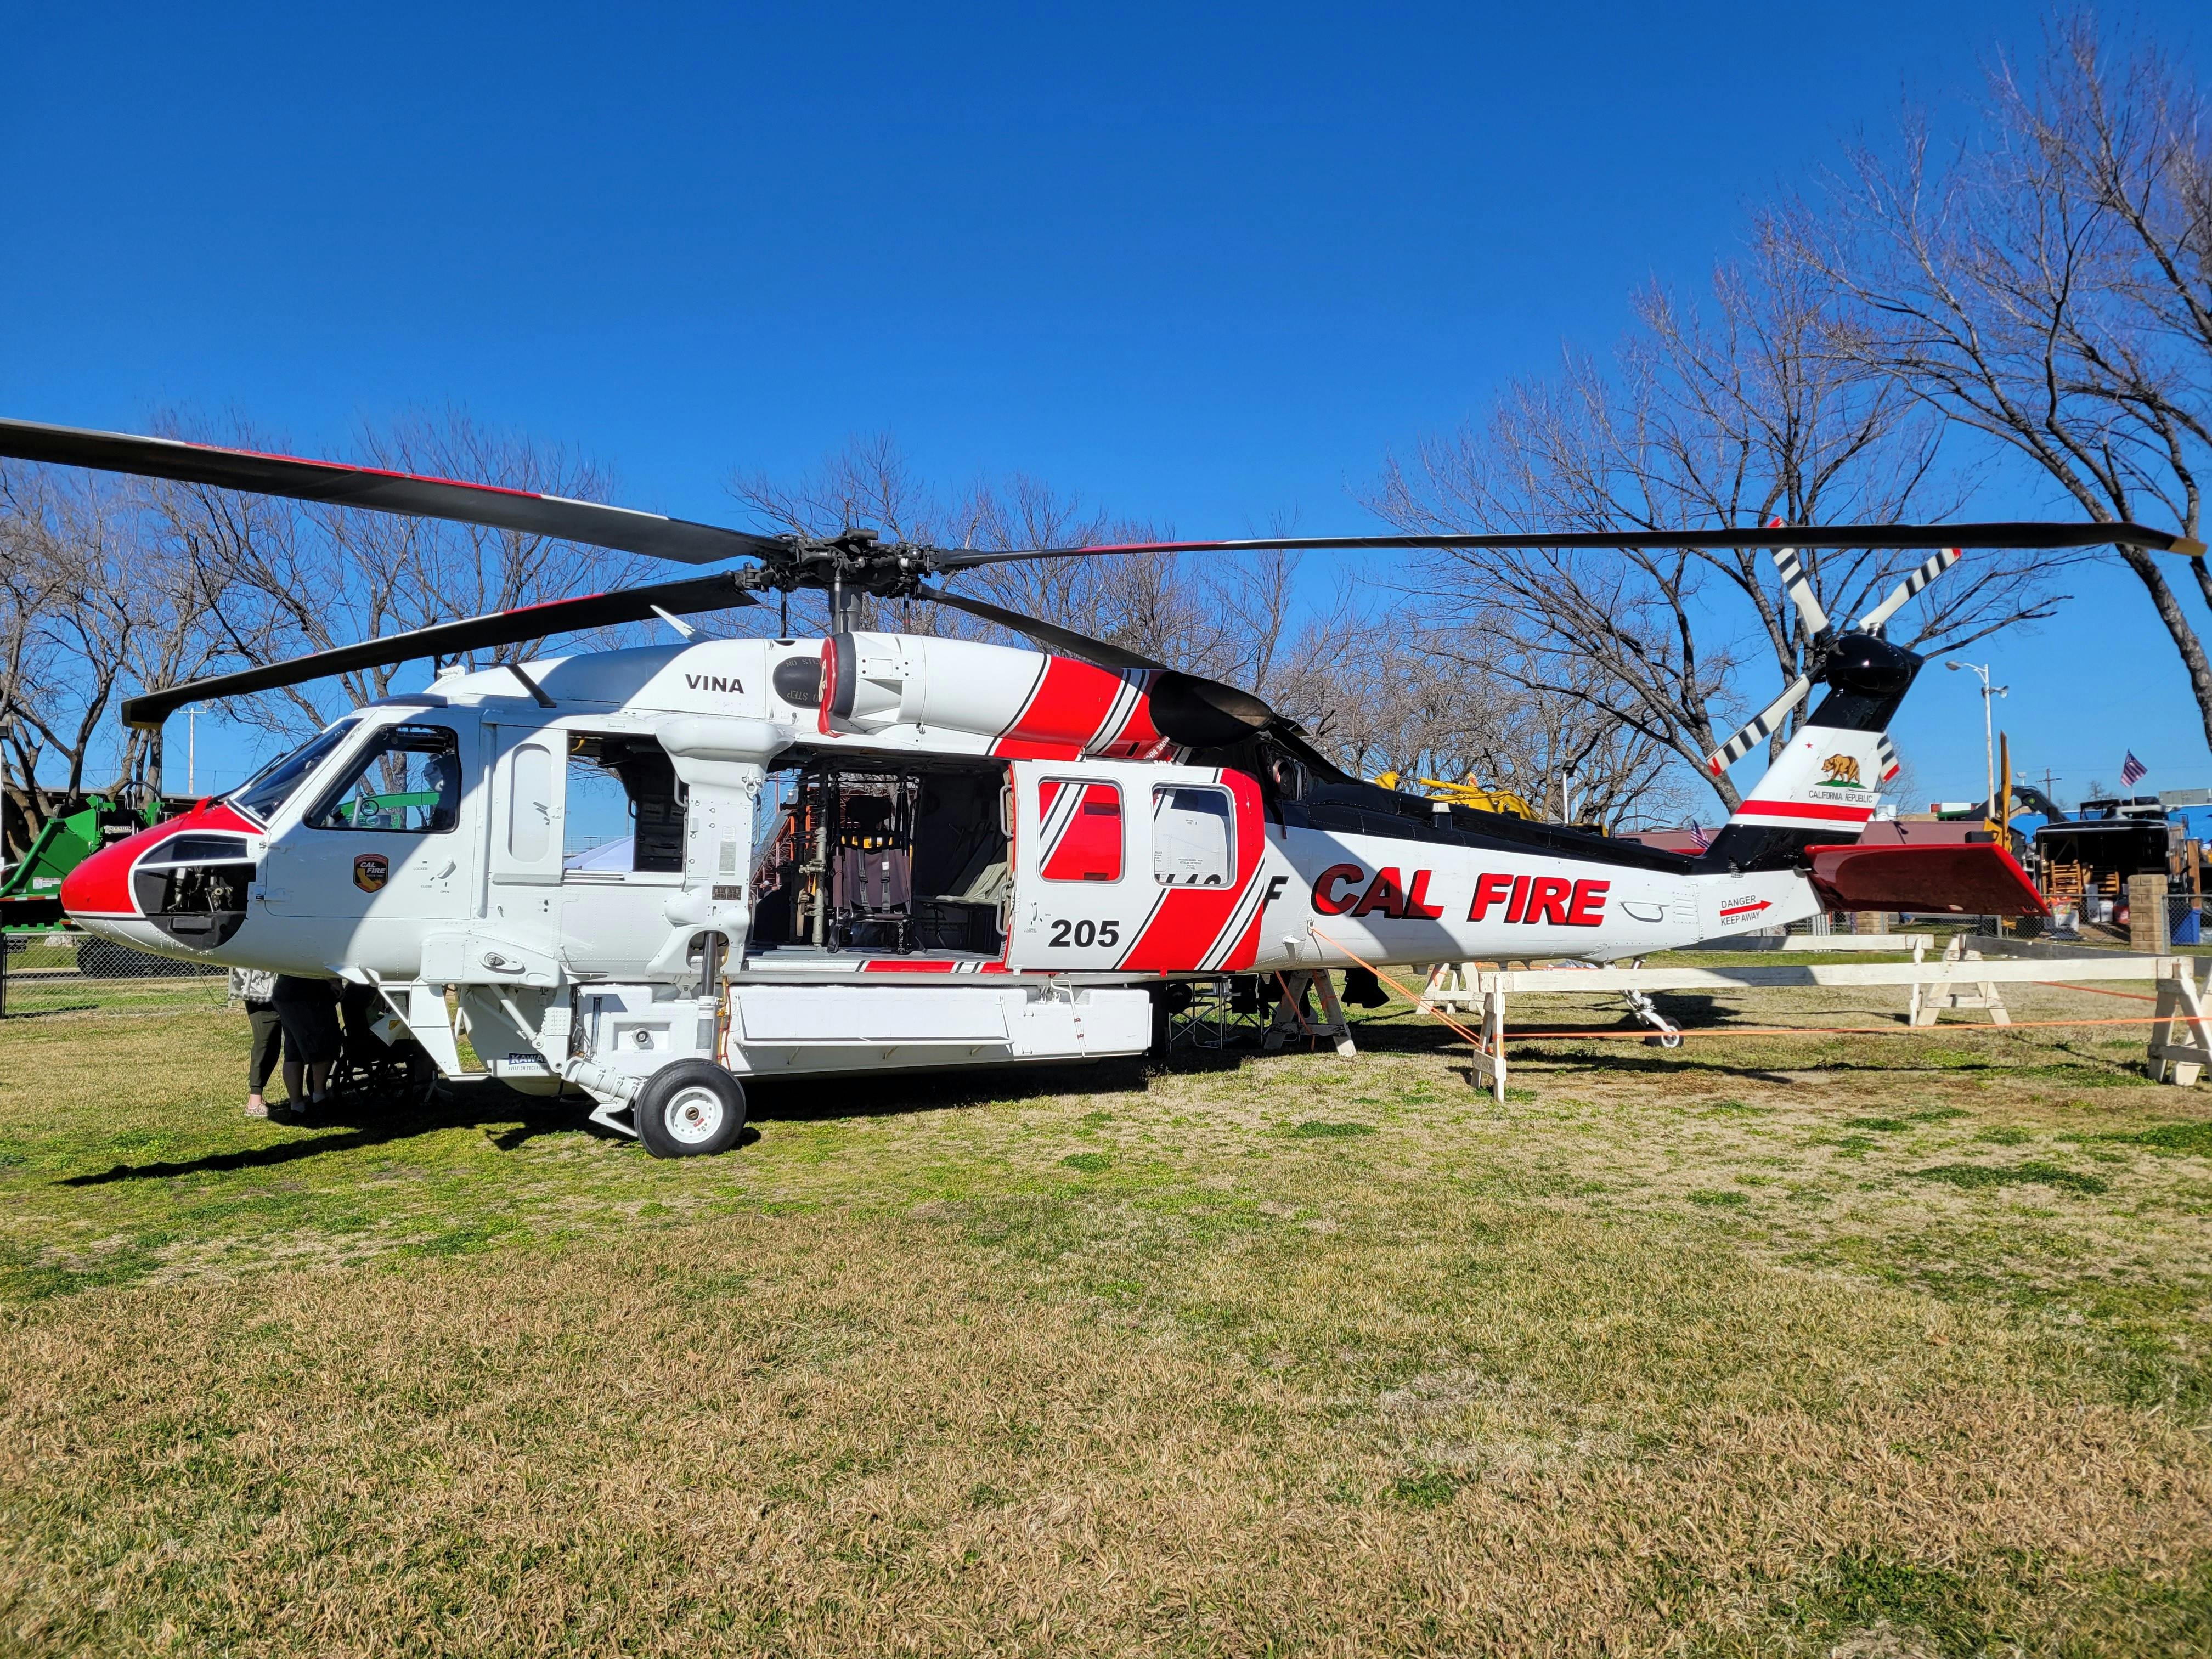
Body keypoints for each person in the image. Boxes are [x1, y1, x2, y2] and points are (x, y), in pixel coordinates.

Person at [270, 973, 342, 1120]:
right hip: (307, 993)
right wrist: (333, 981)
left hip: (285, 991)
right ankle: (319, 1100)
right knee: (323, 1045)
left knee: (293, 1052)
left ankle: (297, 1107)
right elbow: (316, 956)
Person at [231, 966, 282, 1118]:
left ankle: (299, 1099)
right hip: (259, 986)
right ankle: (254, 1101)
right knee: (266, 1042)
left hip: (284, 981)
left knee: (277, 1044)